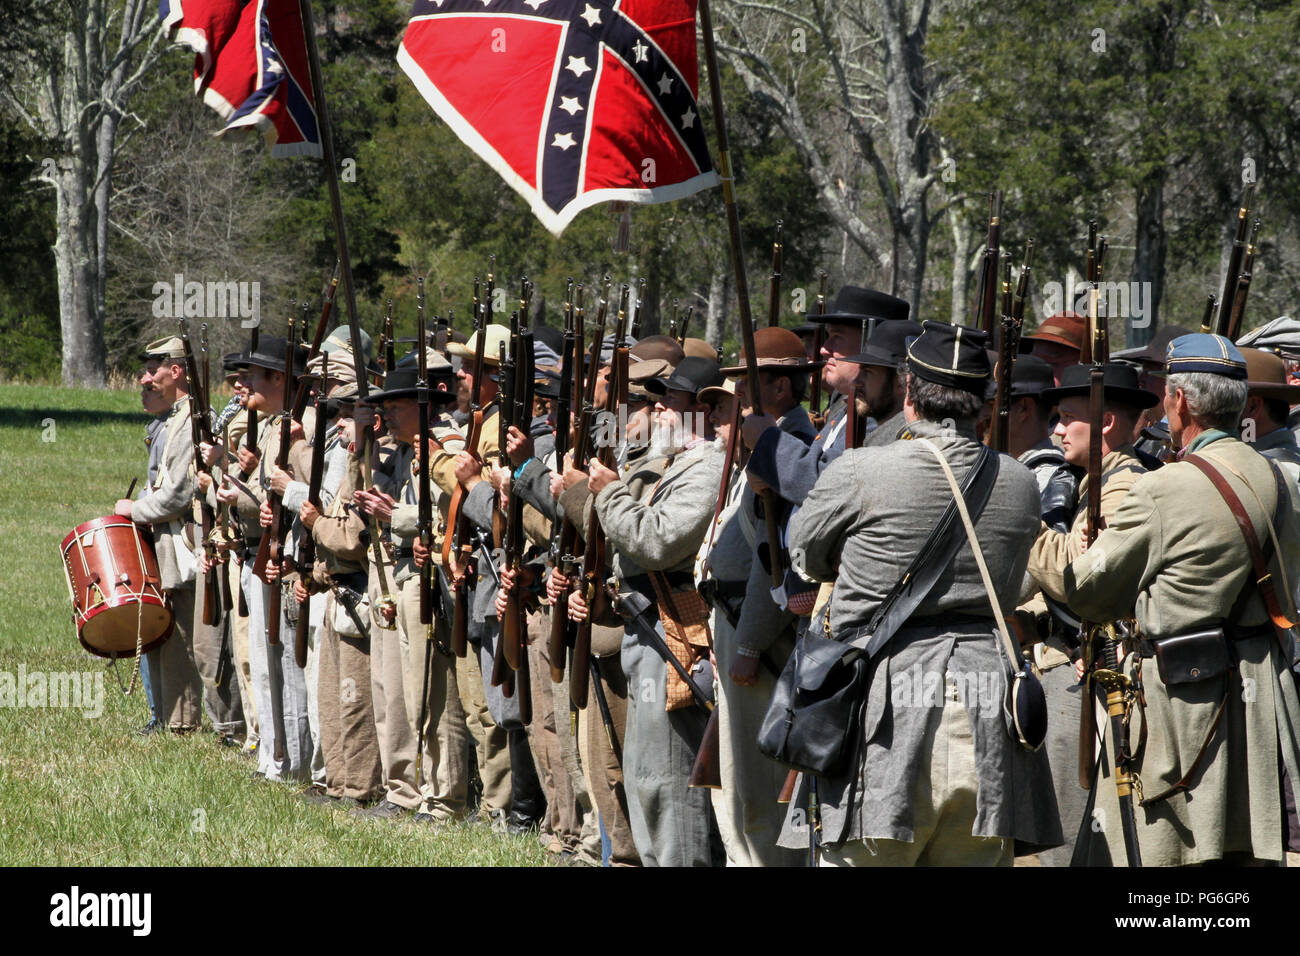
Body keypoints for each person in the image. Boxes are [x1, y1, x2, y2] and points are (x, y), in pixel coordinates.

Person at [781, 321, 1061, 866]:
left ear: (910, 395)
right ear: (983, 405)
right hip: (989, 714)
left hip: (885, 709)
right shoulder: (1020, 482)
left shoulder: (861, 469)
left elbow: (807, 557)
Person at [1066, 333, 1300, 866]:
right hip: (1261, 696)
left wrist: (1047, 551)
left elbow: (1088, 593)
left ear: (1181, 401)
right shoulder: (1281, 478)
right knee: (1242, 856)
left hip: (1180, 702)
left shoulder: (1161, 488)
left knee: (1164, 857)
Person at [1022, 361, 1156, 866]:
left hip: (1091, 679)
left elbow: (1080, 584)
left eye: (1067, 417)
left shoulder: (1121, 487)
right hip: (1073, 664)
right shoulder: (1096, 480)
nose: (1055, 429)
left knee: (1070, 840)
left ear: (1105, 423)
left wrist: (1024, 526)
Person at [115, 336, 203, 734]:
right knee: (163, 631)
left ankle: (183, 723)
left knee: (182, 633)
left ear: (177, 371)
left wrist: (136, 510)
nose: (143, 378)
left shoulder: (193, 421)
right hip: (163, 540)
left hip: (184, 542)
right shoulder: (169, 420)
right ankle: (165, 716)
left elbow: (180, 494)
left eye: (153, 369)